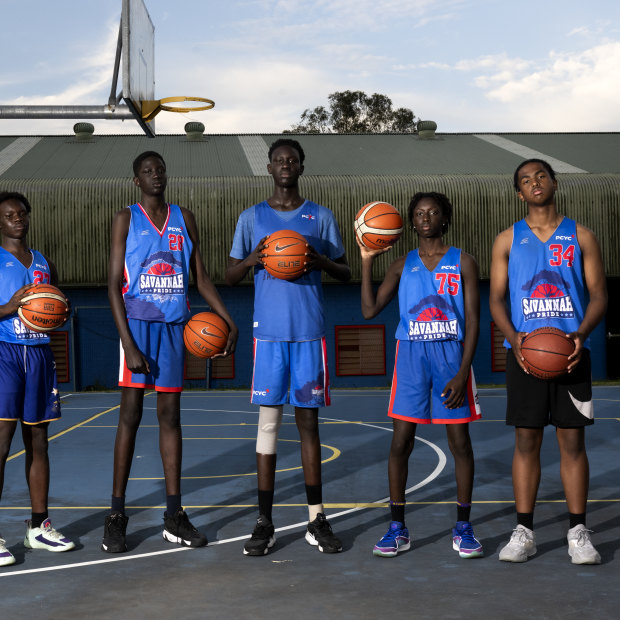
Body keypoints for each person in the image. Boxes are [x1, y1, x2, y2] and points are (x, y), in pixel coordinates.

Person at [102, 151, 238, 553]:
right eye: (147, 171)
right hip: (138, 326)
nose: (155, 175)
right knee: (129, 416)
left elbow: (201, 277)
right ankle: (116, 515)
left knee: (170, 417)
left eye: (160, 169)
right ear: (136, 181)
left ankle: (174, 515)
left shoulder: (185, 217)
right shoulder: (125, 219)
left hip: (175, 326)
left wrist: (226, 319)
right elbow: (112, 284)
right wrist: (128, 343)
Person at [225, 138, 351, 556]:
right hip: (269, 335)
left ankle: (317, 518)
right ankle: (265, 520)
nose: (285, 165)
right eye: (279, 160)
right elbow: (229, 274)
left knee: (309, 426)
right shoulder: (251, 217)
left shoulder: (321, 216)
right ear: (269, 167)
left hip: (308, 332)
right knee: (268, 427)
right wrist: (252, 261)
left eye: (292, 160)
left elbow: (346, 271)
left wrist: (322, 263)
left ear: (300, 166)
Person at [489, 159, 607, 564]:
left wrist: (580, 335)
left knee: (573, 443)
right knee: (526, 441)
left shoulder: (582, 236)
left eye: (541, 176)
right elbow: (495, 299)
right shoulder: (507, 239)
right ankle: (524, 531)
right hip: (526, 357)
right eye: (525, 180)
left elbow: (599, 295)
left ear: (554, 183)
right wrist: (514, 340)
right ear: (518, 192)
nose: (534, 183)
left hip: (572, 354)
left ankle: (578, 531)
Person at [358, 191, 483, 559]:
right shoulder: (401, 264)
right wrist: (367, 260)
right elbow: (368, 310)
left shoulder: (464, 262)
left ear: (445, 218)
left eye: (433, 212)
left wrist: (462, 373)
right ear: (411, 222)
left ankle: (463, 526)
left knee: (459, 443)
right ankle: (397, 527)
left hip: (450, 354)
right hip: (410, 356)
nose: (425, 217)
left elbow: (474, 320)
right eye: (418, 213)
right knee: (401, 442)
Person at [0, 191, 75, 567]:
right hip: (5, 354)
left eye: (22, 213)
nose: (18, 219)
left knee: (39, 443)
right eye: (10, 214)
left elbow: (59, 305)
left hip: (40, 356)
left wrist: (58, 311)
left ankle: (38, 527)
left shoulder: (44, 261)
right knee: (0, 445)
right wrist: (8, 308)